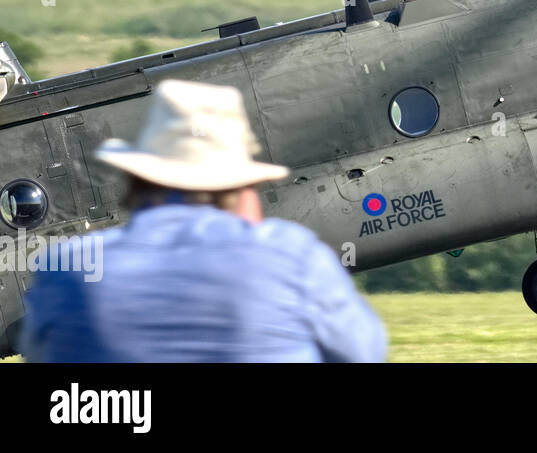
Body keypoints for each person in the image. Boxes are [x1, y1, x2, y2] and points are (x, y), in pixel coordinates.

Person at [20, 79, 387, 362]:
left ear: (137, 180)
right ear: (241, 187)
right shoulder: (294, 257)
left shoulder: (66, 268)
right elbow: (363, 352)